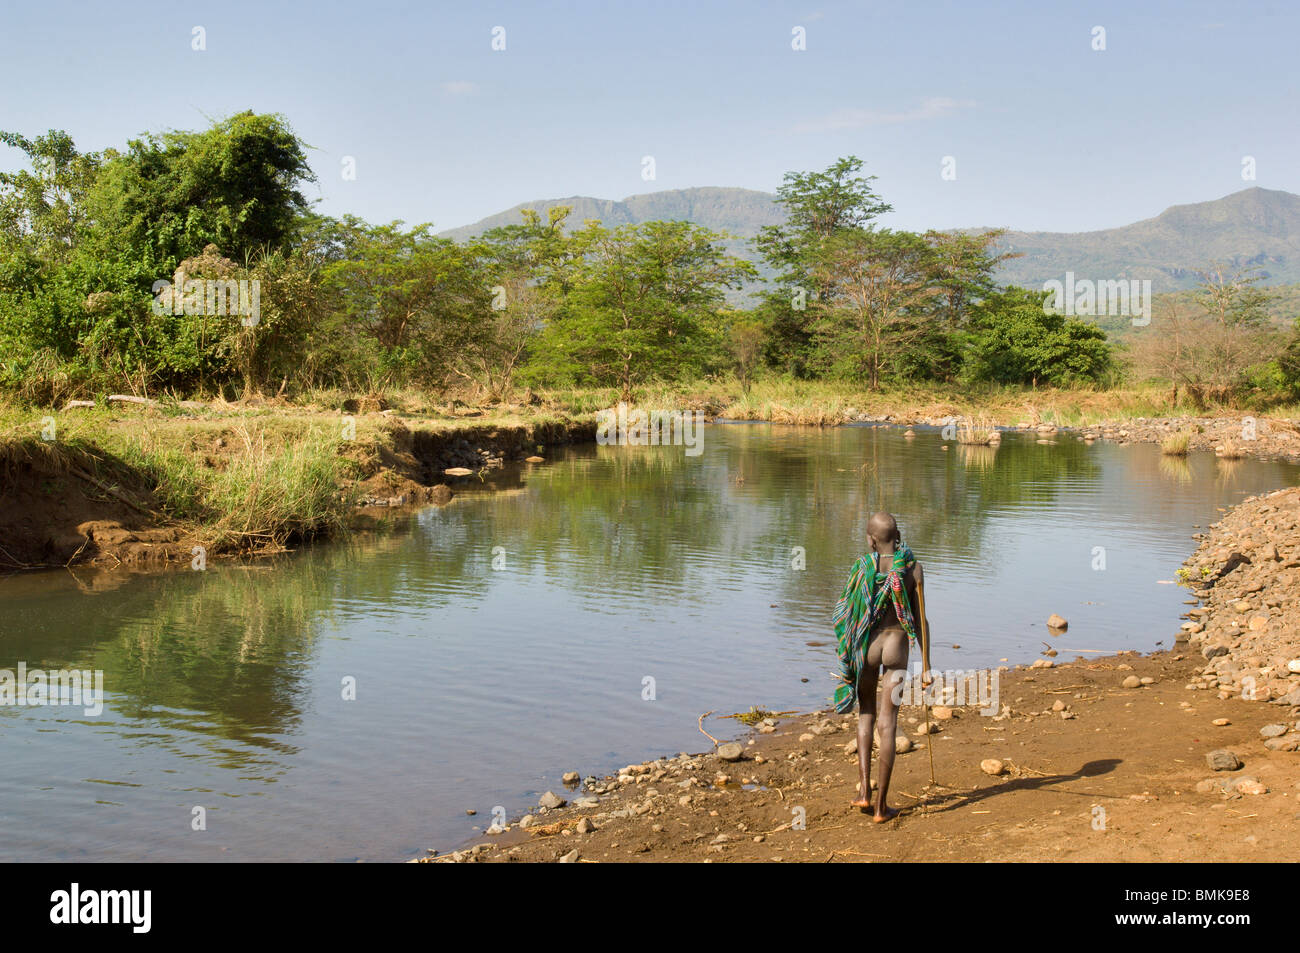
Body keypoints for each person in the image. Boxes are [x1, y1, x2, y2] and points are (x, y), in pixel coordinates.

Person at [831, 511, 930, 823]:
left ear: (871, 540)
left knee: (866, 715)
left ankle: (864, 792)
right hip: (897, 646)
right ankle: (881, 808)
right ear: (897, 536)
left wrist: (847, 650)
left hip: (868, 646)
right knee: (888, 725)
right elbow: (921, 621)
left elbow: (847, 611)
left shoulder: (862, 568)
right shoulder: (913, 569)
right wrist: (927, 665)